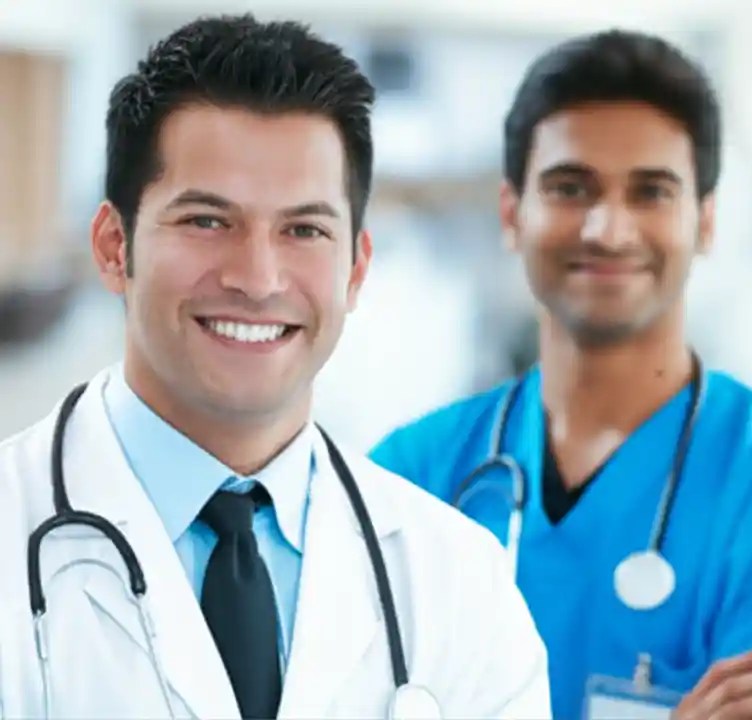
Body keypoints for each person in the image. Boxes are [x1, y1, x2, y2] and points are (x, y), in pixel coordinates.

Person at [0, 14, 550, 720]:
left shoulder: (458, 586)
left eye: (304, 230)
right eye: (206, 220)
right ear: (114, 245)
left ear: (355, 269)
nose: (258, 278)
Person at [369, 29, 752, 720]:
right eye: (571, 188)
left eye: (651, 192)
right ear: (512, 213)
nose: (608, 228)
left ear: (705, 220)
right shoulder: (408, 481)